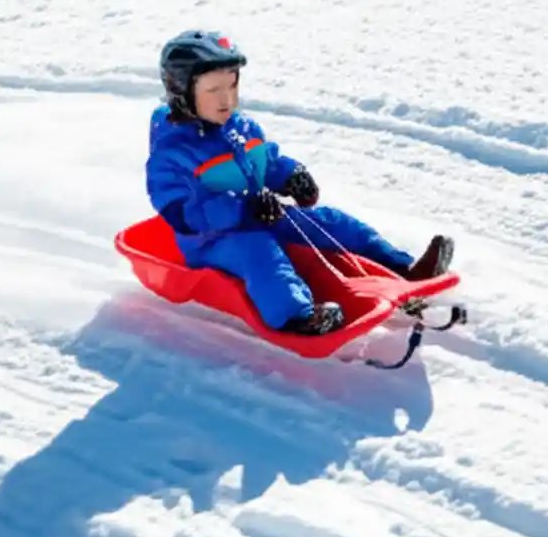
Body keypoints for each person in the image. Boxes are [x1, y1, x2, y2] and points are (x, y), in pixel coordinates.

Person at [145, 30, 454, 335]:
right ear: (181, 93)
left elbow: (267, 162)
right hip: (212, 240)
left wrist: (292, 176)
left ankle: (402, 268)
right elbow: (182, 215)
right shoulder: (172, 154)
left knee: (331, 221)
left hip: (264, 215)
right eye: (214, 90)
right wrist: (242, 209)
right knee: (258, 251)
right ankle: (295, 316)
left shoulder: (241, 127)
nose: (227, 99)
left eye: (232, 84)